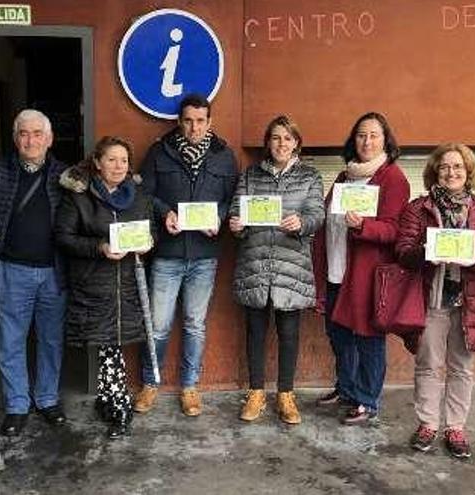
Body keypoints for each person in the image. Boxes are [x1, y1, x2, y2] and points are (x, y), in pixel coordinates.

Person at [135, 94, 238, 416]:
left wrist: (219, 218)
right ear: (179, 121)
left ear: (210, 122)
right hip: (167, 253)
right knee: (158, 325)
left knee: (195, 324)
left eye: (200, 120)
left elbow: (234, 197)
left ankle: (190, 386)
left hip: (204, 254)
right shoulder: (158, 152)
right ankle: (150, 383)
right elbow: (144, 195)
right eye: (188, 120)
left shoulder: (224, 156)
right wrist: (164, 213)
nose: (194, 127)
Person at [394, 143, 475, 459]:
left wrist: (472, 258)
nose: (451, 172)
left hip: (468, 300)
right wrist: (427, 249)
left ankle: (455, 427)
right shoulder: (418, 208)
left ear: (468, 172)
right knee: (427, 364)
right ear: (435, 171)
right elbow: (402, 251)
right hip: (431, 298)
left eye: (458, 167)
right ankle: (427, 423)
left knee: (462, 367)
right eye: (444, 167)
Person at [312, 111, 410, 425]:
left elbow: (396, 229)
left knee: (368, 339)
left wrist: (365, 227)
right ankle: (347, 388)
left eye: (373, 135)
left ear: (385, 140)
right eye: (361, 135)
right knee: (338, 334)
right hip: (336, 268)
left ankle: (367, 400)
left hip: (367, 276)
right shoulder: (345, 176)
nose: (366, 141)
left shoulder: (392, 177)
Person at [56, 136, 156, 438]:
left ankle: (111, 401)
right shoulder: (79, 195)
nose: (118, 166)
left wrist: (148, 242)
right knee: (107, 344)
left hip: (127, 284)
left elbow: (150, 231)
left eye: (123, 160)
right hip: (93, 284)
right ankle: (120, 405)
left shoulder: (138, 195)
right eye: (111, 159)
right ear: (97, 163)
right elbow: (64, 236)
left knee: (112, 343)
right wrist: (100, 247)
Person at [0, 109, 68, 436]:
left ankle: (46, 399)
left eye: (37, 134)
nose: (31, 140)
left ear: (49, 138)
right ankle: (16, 405)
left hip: (54, 271)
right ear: (16, 138)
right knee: (11, 340)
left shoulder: (65, 176)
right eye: (24, 134)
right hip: (12, 269)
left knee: (51, 340)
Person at [229, 115, 325, 425]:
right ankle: (256, 392)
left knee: (289, 332)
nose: (281, 143)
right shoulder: (250, 175)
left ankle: (286, 394)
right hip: (255, 262)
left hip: (291, 263)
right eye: (275, 138)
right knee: (255, 331)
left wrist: (302, 223)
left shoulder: (310, 176)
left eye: (287, 138)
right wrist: (237, 225)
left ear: (297, 142)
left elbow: (316, 214)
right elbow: (236, 209)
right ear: (267, 143)